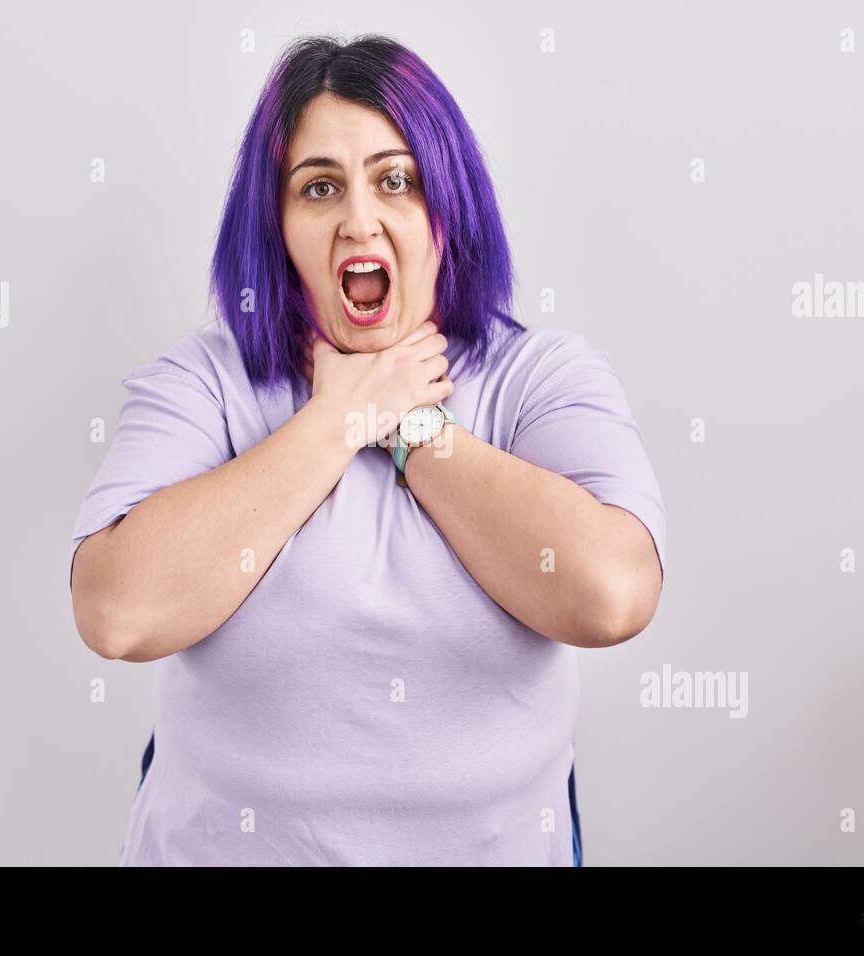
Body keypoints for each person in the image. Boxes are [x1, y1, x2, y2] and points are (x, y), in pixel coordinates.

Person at [69, 33, 666, 866]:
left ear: (448, 213)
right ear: (276, 227)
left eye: (396, 180)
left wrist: (410, 426)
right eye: (319, 188)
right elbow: (117, 612)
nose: (359, 218)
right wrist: (339, 417)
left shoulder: (538, 376)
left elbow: (612, 597)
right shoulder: (203, 384)